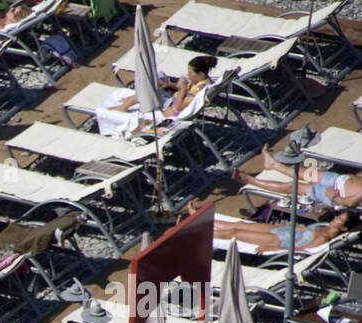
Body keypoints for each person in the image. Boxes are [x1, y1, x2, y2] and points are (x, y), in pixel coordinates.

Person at [96, 55, 215, 138]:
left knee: (147, 88)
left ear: (200, 73)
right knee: (158, 77)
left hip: (168, 110)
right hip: (170, 100)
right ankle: (129, 100)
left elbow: (178, 108)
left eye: (190, 73)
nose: (188, 75)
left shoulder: (199, 90)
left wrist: (183, 88)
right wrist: (169, 84)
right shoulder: (202, 82)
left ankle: (124, 106)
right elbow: (184, 89)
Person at [231, 145, 362, 209]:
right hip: (340, 180)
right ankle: (273, 165)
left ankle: (249, 179)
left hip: (337, 194)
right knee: (305, 173)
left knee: (292, 186)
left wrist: (333, 197)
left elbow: (350, 202)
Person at [204, 206, 359, 254]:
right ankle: (201, 219)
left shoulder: (323, 239)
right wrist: (278, 226)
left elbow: (299, 250)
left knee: (235, 234)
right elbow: (301, 227)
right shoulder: (324, 225)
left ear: (344, 228)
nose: (335, 217)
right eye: (338, 215)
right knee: (239, 224)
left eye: (339, 219)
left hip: (281, 241)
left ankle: (199, 234)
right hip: (280, 230)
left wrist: (271, 248)